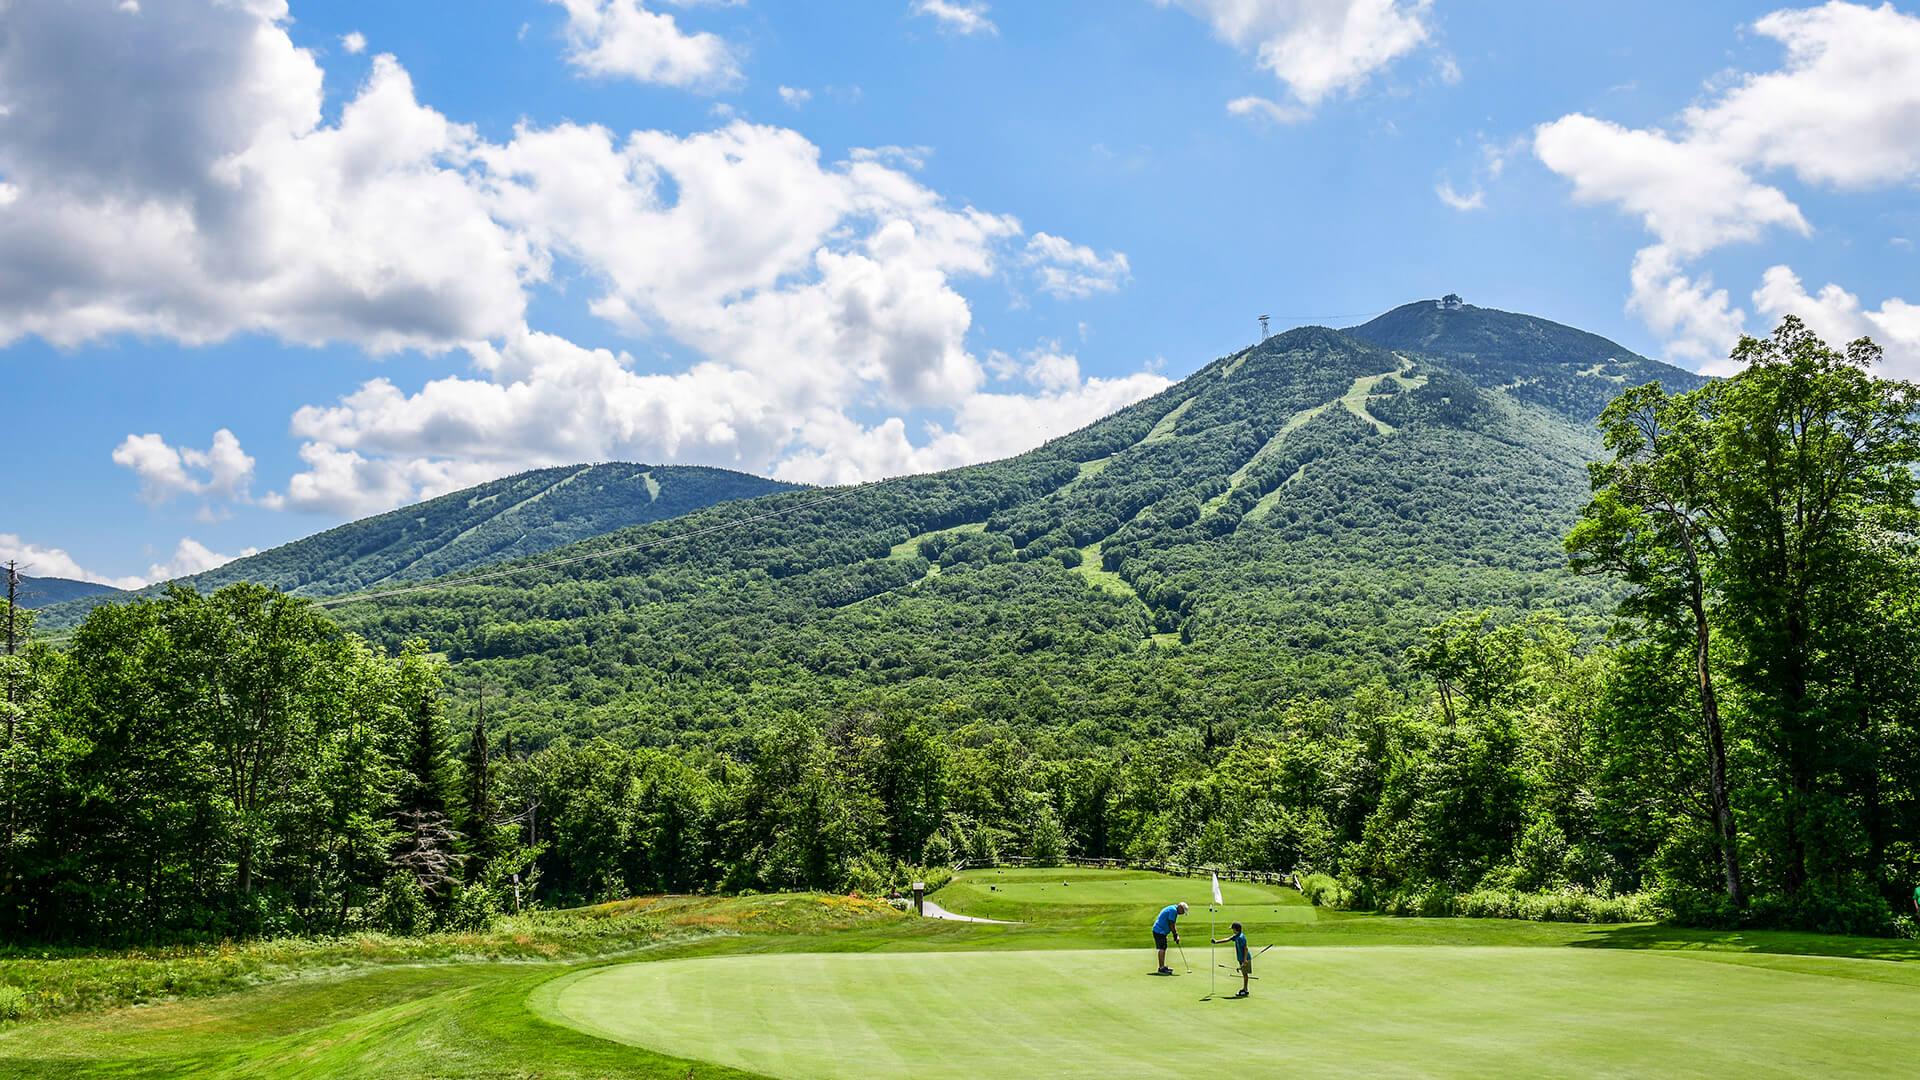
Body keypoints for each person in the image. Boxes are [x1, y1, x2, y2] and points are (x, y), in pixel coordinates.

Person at [1213, 921, 1251, 997]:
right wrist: (1216, 942)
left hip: (1245, 958)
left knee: (1245, 974)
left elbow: (1246, 948)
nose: (1232, 930)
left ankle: (1245, 989)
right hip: (1241, 958)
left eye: (1232, 929)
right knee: (1244, 973)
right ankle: (1245, 989)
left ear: (1235, 929)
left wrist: (1245, 960)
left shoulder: (1241, 937)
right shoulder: (1236, 936)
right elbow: (1227, 939)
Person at [1152, 901, 1188, 974]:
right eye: (1183, 911)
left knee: (1163, 947)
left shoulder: (1173, 909)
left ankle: (1162, 966)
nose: (1182, 913)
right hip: (1159, 931)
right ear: (1180, 908)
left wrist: (1175, 935)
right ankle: (1161, 968)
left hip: (1160, 931)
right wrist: (1175, 935)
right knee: (1162, 948)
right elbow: (1171, 924)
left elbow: (1171, 924)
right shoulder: (1173, 910)